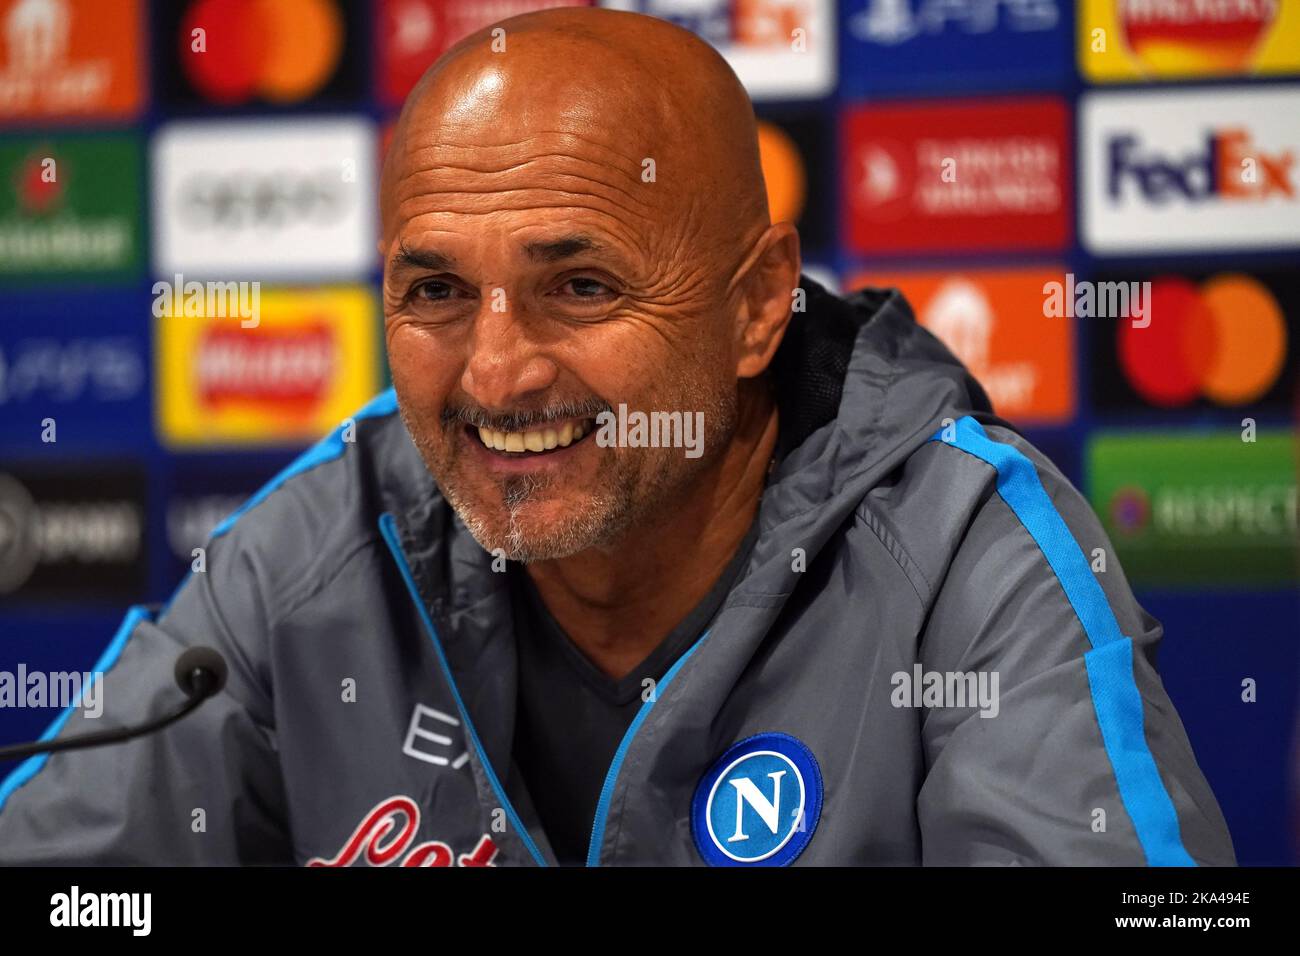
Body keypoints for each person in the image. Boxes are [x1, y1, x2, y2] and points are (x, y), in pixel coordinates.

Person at [0, 7, 1234, 866]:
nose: (495, 372)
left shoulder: (969, 549)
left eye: (581, 287)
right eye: (434, 292)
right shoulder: (327, 541)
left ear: (755, 306)